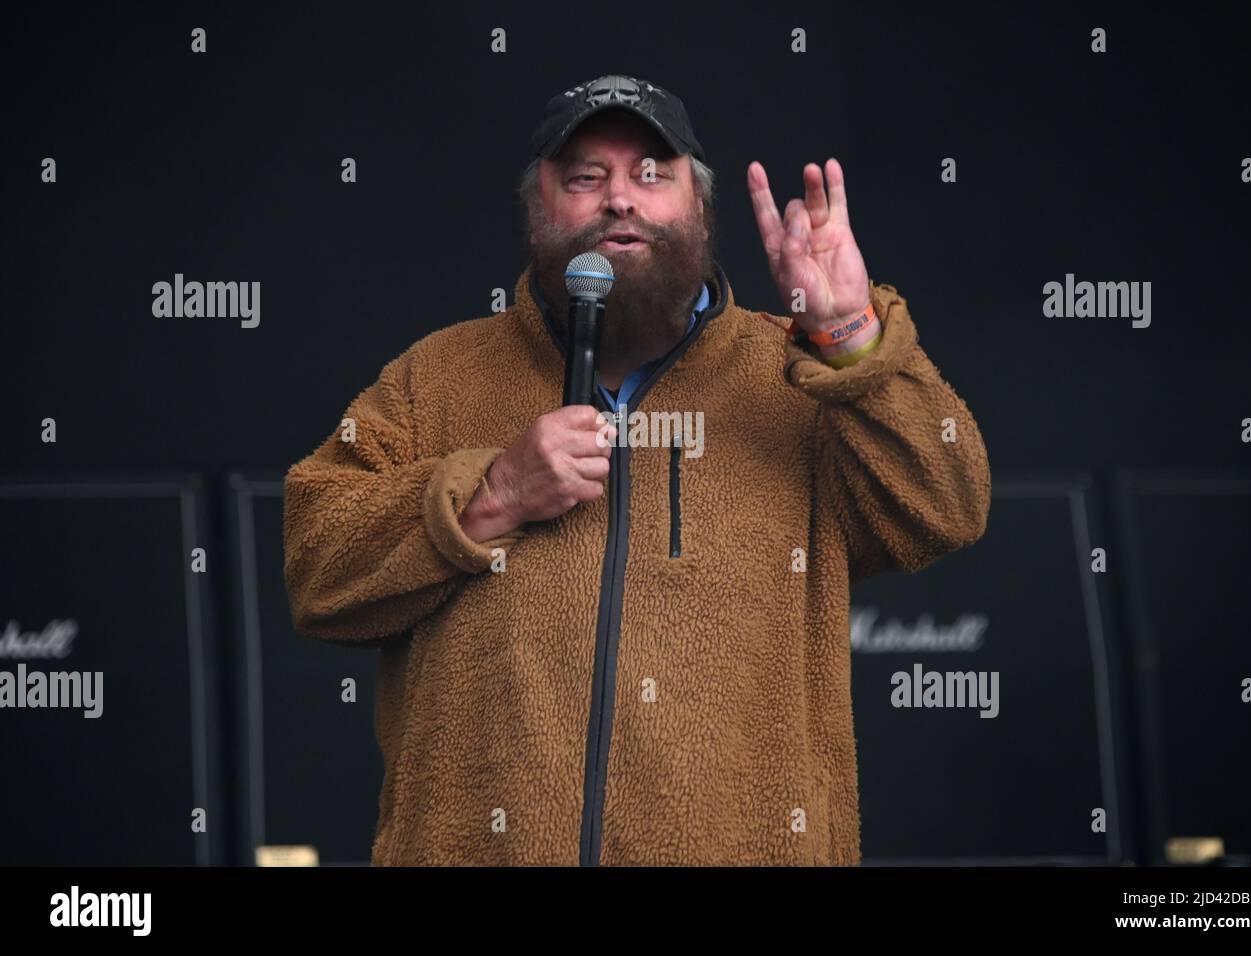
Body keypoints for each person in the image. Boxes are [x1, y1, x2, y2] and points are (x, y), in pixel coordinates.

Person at [282, 73, 992, 866]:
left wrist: (851, 337)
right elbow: (317, 566)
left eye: (652, 174)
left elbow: (949, 505)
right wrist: (495, 492)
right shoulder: (434, 377)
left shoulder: (794, 380)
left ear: (699, 207)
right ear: (538, 207)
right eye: (585, 177)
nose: (620, 198)